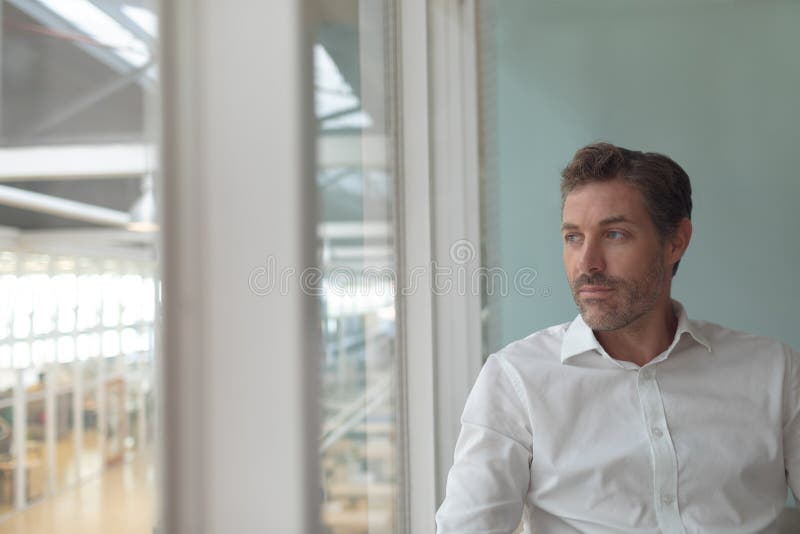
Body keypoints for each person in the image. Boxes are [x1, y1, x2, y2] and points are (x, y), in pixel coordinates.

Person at [435, 142, 800, 533]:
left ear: (675, 242)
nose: (587, 263)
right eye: (573, 237)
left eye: (614, 234)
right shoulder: (515, 381)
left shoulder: (773, 371)